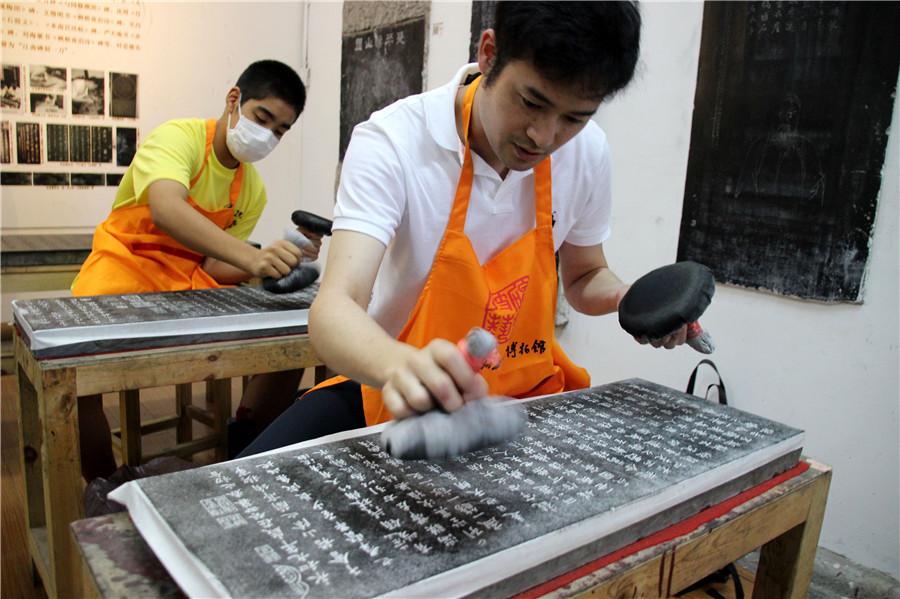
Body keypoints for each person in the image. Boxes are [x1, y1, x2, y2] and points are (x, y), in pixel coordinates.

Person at [241, 2, 686, 457]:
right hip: (400, 387)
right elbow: (337, 305)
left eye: (575, 117)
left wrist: (625, 296)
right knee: (245, 477)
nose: (544, 136)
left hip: (524, 394)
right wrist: (402, 368)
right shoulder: (394, 141)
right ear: (489, 54)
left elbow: (583, 275)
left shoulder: (588, 153)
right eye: (532, 102)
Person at [73, 59, 319, 479]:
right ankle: (101, 484)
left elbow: (213, 266)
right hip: (121, 270)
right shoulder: (179, 138)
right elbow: (167, 209)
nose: (268, 135)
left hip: (186, 286)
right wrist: (252, 258)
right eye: (263, 117)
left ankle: (245, 453)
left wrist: (279, 258)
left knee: (292, 341)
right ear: (234, 100)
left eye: (281, 130)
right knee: (76, 381)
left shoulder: (251, 188)